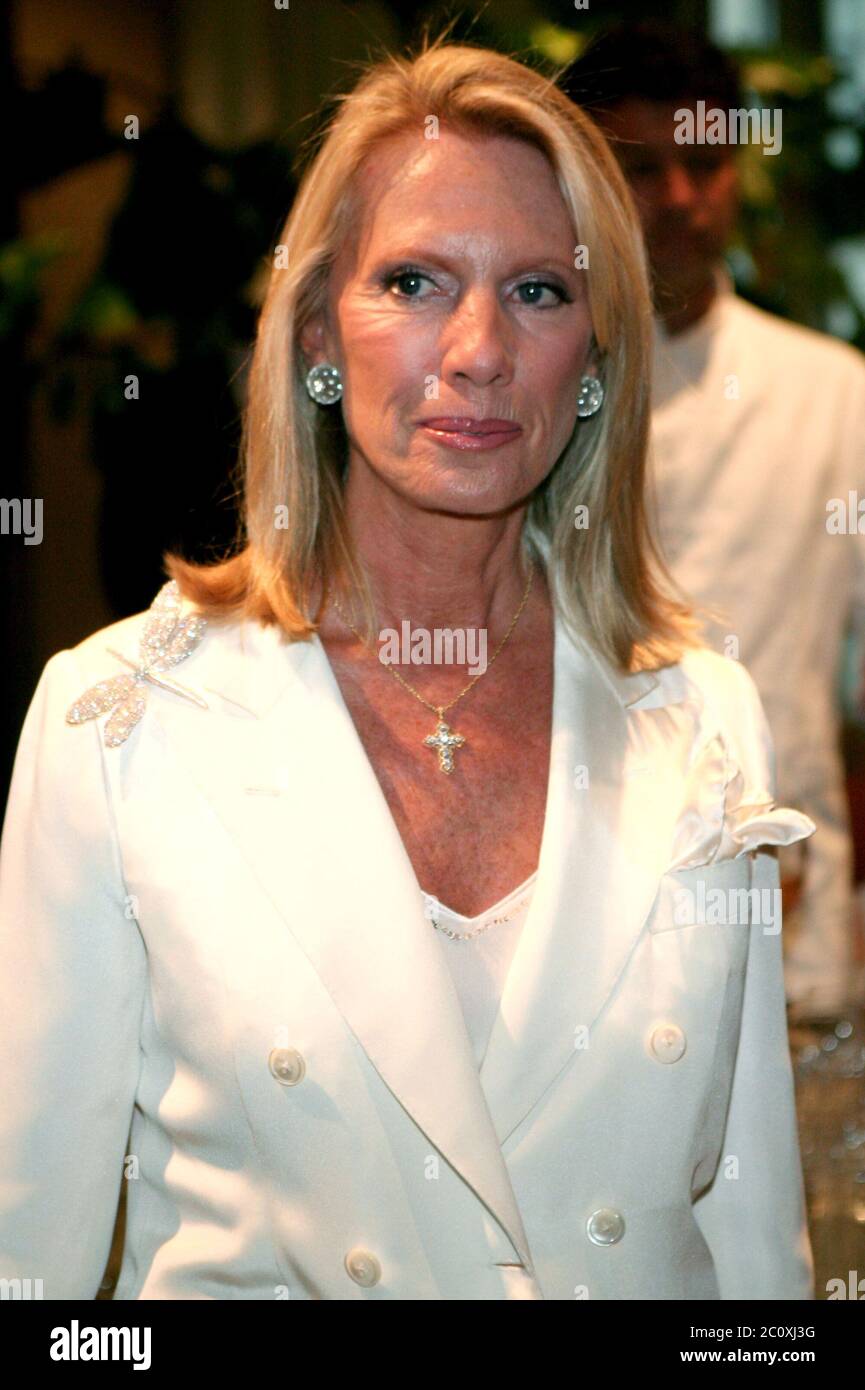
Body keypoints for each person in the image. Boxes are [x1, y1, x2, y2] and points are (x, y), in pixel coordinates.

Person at [0, 37, 816, 1301]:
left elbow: (755, 1253)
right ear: (316, 332)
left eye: (538, 290)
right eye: (415, 281)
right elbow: (29, 1268)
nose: (479, 349)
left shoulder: (701, 717)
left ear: (597, 360)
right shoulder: (120, 723)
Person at [562, 23, 865, 1025]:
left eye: (706, 165)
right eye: (644, 170)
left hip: (790, 923)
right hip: (572, 933)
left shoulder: (833, 392)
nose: (682, 199)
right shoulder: (525, 395)